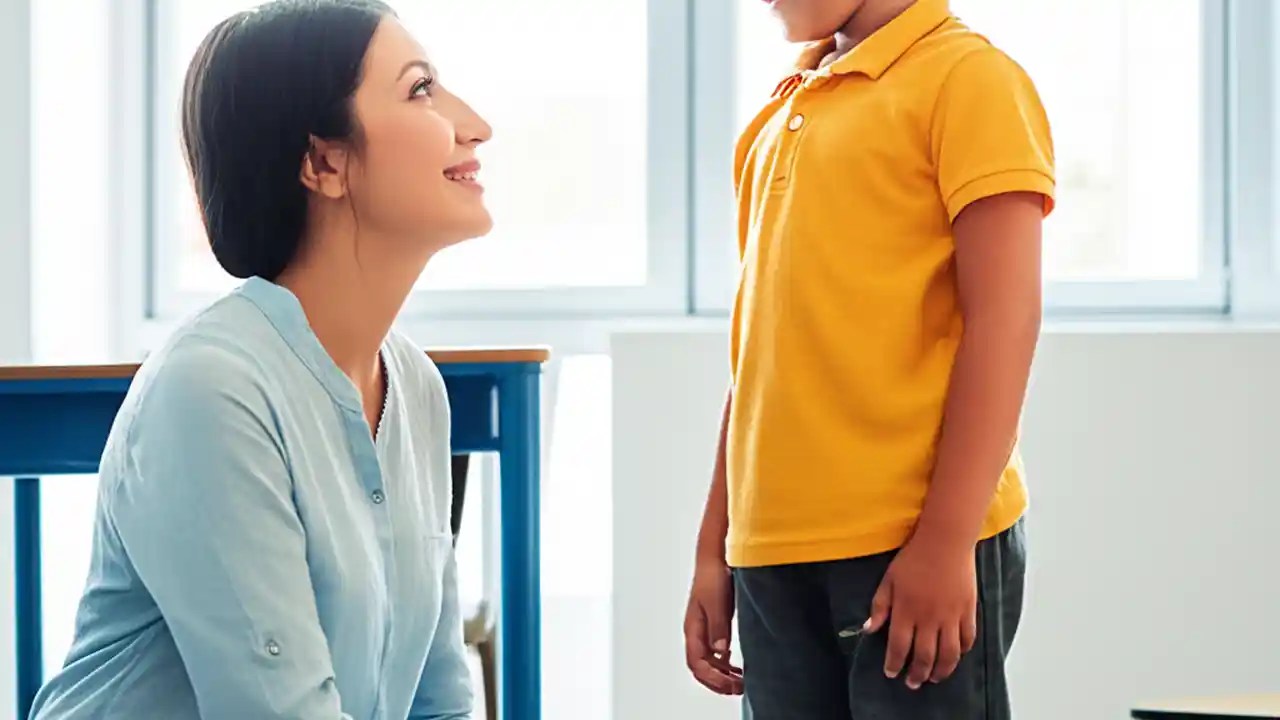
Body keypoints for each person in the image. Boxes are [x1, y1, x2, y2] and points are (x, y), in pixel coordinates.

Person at [30, 1, 491, 717]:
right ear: (323, 161)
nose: (474, 126)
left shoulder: (418, 389)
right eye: (420, 89)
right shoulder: (210, 390)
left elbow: (439, 703)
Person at [683, 0, 1054, 717]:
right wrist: (716, 543)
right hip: (772, 548)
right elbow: (764, 353)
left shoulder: (969, 80)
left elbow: (1005, 321)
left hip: (913, 540)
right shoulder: (785, 109)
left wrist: (945, 544)